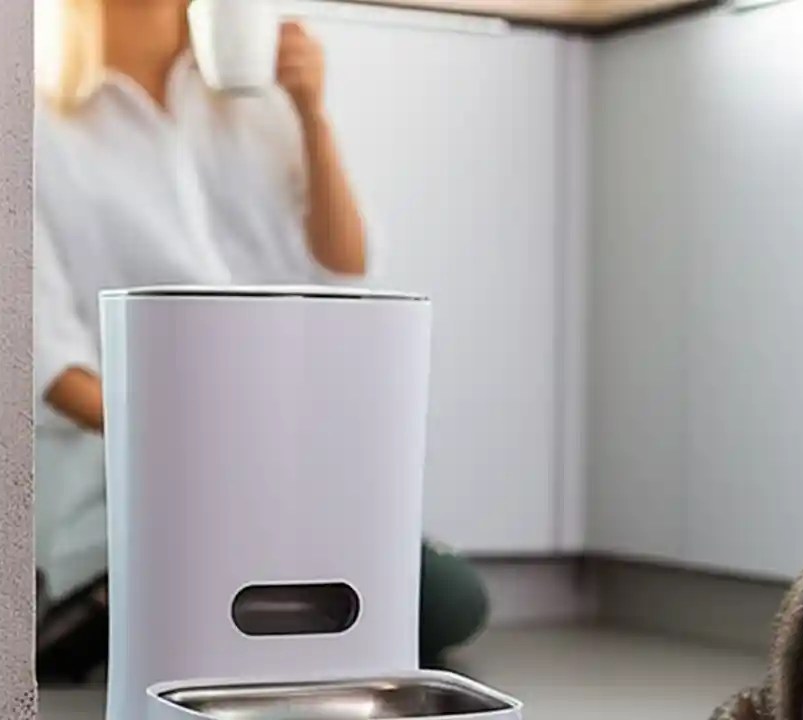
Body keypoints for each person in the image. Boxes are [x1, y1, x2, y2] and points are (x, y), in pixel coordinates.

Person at [34, 0, 486, 681]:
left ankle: (152, 607)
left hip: (282, 463)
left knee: (452, 597)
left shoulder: (259, 99)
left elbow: (343, 272)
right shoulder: (36, 121)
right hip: (130, 474)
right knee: (389, 601)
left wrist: (310, 111)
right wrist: (206, 446)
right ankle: (142, 589)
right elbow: (46, 364)